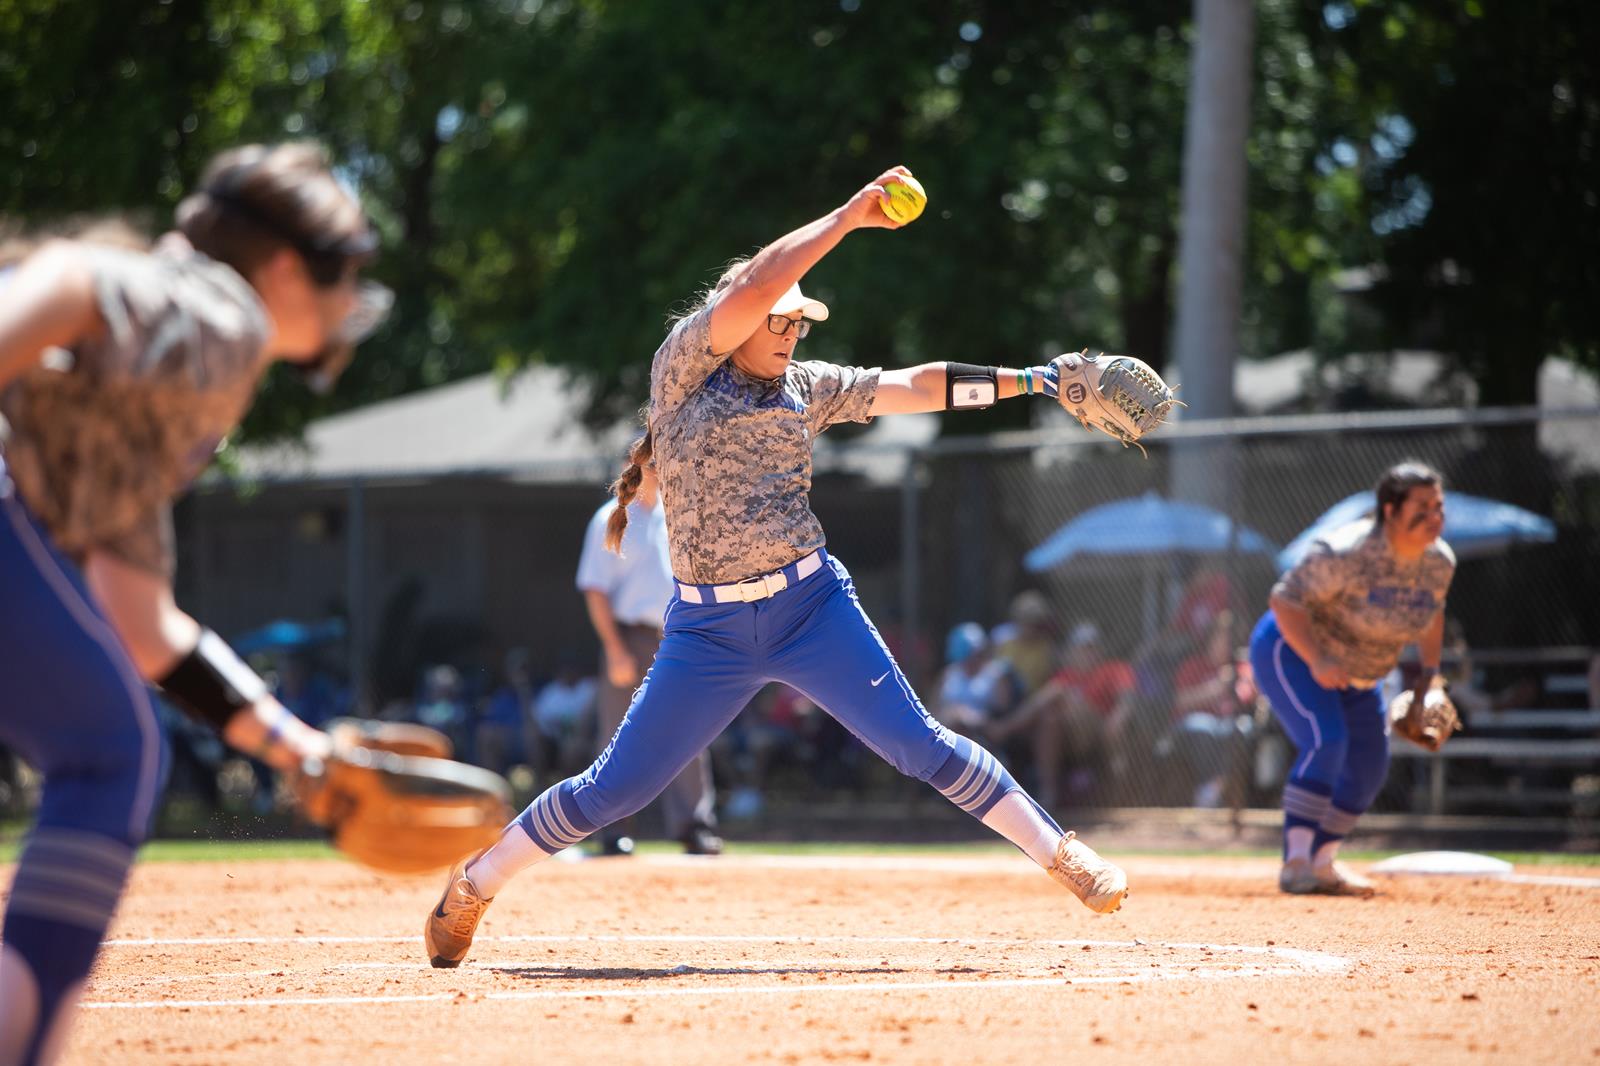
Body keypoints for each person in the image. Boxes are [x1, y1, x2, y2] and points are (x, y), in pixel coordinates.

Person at [424, 167, 1129, 968]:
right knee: (615, 790)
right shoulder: (685, 369)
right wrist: (850, 217)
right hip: (708, 630)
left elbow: (913, 386)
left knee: (920, 746)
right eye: (781, 320)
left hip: (810, 608)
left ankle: (1063, 854)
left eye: (800, 324)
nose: (792, 333)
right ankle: (473, 887)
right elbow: (762, 280)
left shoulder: (808, 387)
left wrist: (1034, 380)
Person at [0, 142, 392, 1065]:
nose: (350, 303)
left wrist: (298, 750)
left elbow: (145, 626)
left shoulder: (186, 387)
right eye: (345, 274)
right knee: (110, 753)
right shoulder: (229, 314)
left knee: (107, 742)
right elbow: (71, 275)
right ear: (289, 266)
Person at [1249, 461, 1456, 896]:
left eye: (1438, 507)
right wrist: (1318, 657)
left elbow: (1431, 613)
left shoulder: (1438, 562)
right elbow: (1284, 601)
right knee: (1327, 741)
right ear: (1390, 510)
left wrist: (1431, 678)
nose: (1435, 517)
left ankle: (1324, 862)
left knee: (1369, 765)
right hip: (1292, 652)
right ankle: (1296, 862)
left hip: (1360, 670)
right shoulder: (1346, 552)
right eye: (1422, 507)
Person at [576, 446, 720, 855]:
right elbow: (595, 589)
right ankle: (611, 828)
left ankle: (695, 825)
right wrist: (615, 649)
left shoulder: (677, 516)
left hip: (678, 637)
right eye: (656, 459)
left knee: (689, 730)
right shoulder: (612, 518)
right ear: (638, 465)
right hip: (631, 637)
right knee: (621, 737)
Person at [990, 622, 1136, 806]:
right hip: (1071, 737)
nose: (1088, 654)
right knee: (1050, 717)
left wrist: (1117, 722)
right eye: (1082, 649)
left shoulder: (1114, 669)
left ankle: (1005, 728)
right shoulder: (1066, 675)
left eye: (1093, 648)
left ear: (1102, 650)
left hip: (1099, 729)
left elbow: (1128, 701)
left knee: (1058, 692)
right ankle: (1048, 792)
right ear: (1072, 652)